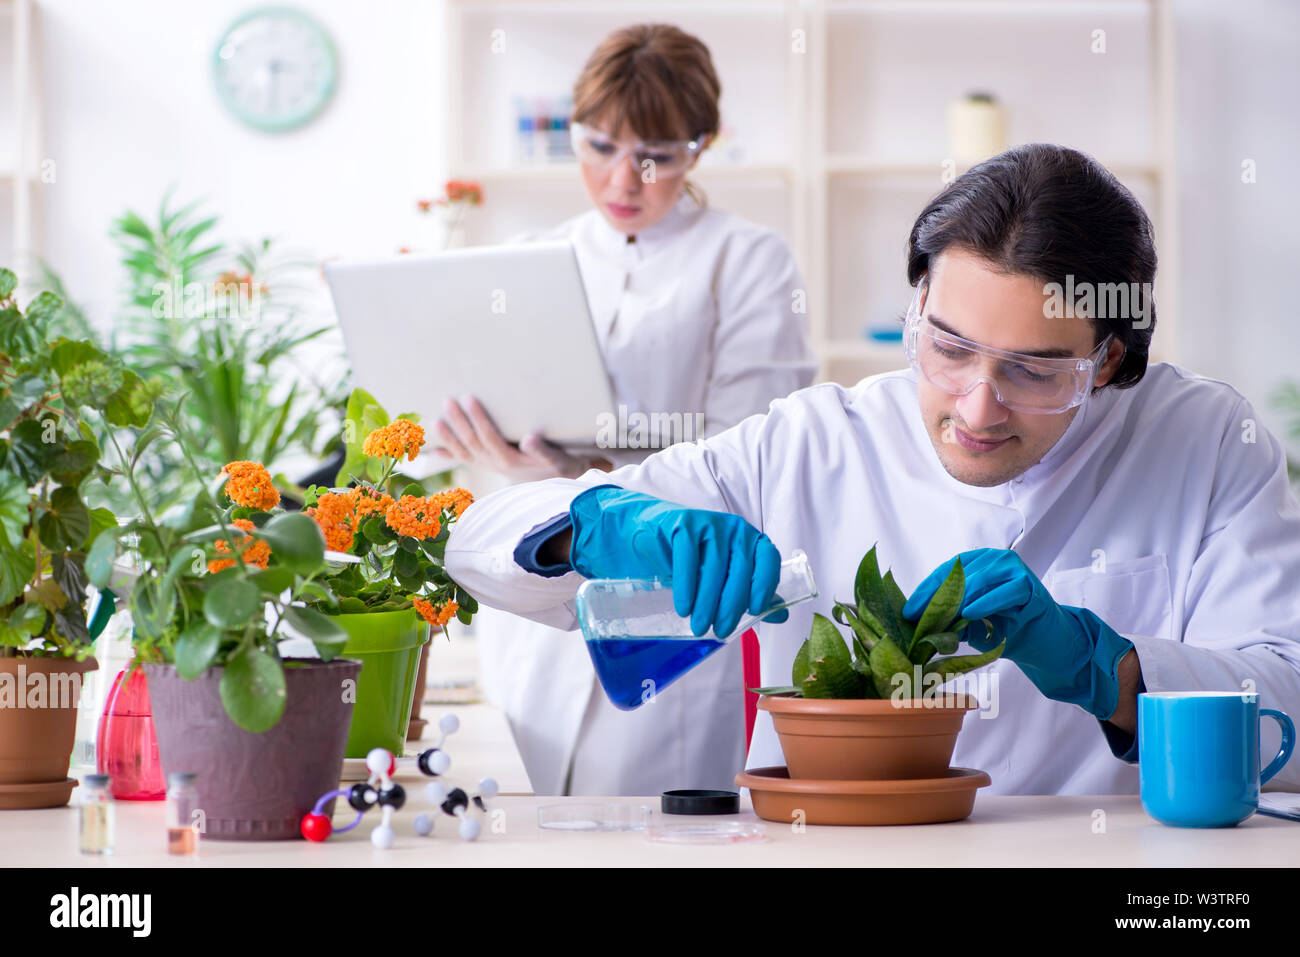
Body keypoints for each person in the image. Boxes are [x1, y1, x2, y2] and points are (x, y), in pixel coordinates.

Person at [445, 143, 1300, 794]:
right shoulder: (819, 440)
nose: (976, 406)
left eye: (1034, 371)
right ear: (916, 308)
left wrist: (1107, 669)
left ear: (1110, 359)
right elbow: (478, 549)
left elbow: (1287, 715)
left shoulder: (1206, 442)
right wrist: (601, 526)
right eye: (949, 347)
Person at [430, 24, 816, 795]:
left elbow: (752, 453)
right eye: (599, 147)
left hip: (663, 615)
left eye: (656, 157)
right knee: (521, 827)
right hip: (536, 610)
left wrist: (577, 471)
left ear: (700, 148)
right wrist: (479, 442)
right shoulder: (534, 256)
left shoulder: (747, 258)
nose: (623, 180)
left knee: (642, 833)